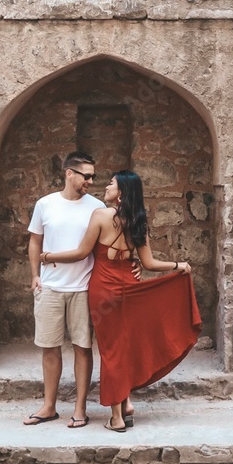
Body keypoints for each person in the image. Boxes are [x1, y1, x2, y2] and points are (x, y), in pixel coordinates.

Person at [40, 170, 202, 432]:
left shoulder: (101, 216)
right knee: (124, 347)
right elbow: (148, 263)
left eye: (112, 184)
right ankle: (126, 404)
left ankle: (116, 418)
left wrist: (47, 257)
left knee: (111, 351)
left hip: (104, 291)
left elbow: (82, 253)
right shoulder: (139, 222)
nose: (106, 186)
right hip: (130, 287)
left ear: (122, 193)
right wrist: (177, 265)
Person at [24, 151, 101, 428]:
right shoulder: (45, 204)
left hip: (83, 287)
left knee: (83, 347)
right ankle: (49, 407)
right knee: (49, 348)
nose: (90, 181)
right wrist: (35, 275)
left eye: (93, 176)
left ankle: (80, 408)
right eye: (86, 176)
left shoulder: (97, 206)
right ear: (70, 173)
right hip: (50, 287)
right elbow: (35, 241)